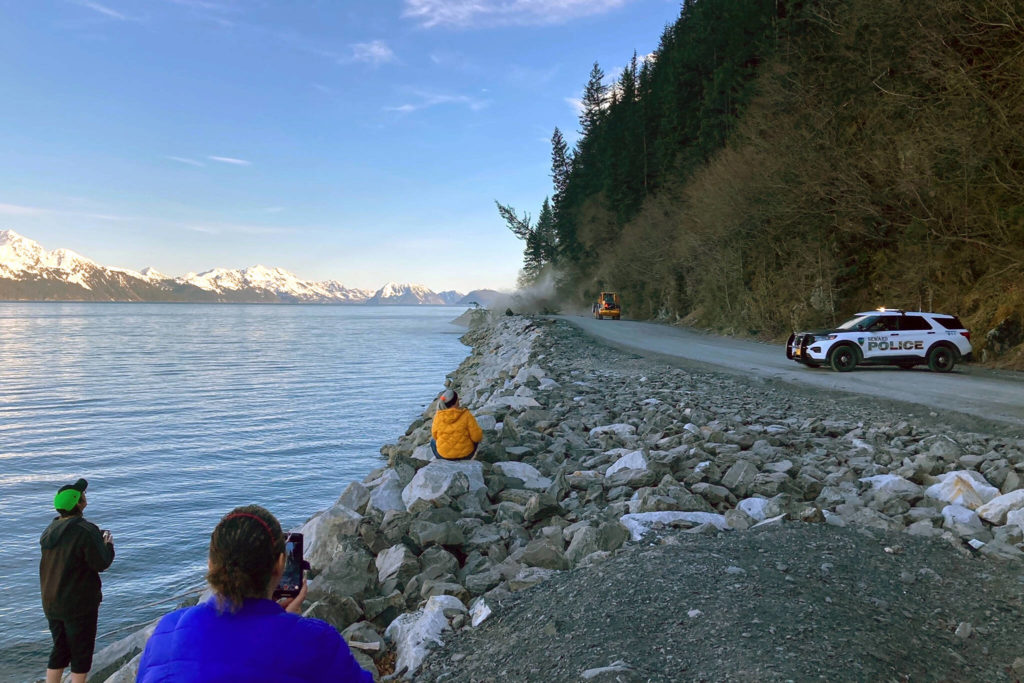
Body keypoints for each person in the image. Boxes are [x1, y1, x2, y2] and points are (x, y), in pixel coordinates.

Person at [136, 505, 373, 682]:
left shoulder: (164, 633)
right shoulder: (317, 640)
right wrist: (293, 627)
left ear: (211, 565)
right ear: (280, 565)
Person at [40, 478, 115, 683]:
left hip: (51, 601)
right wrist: (108, 545)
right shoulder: (85, 529)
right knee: (81, 652)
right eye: (83, 496)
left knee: (60, 649)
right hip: (78, 604)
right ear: (79, 503)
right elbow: (100, 563)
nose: (85, 498)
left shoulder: (49, 531)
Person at [430, 388, 483, 460]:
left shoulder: (438, 416)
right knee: (475, 437)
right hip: (466, 455)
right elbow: (477, 437)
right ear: (456, 402)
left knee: (432, 441)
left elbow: (435, 436)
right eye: (458, 399)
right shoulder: (466, 414)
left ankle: (443, 462)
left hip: (445, 456)